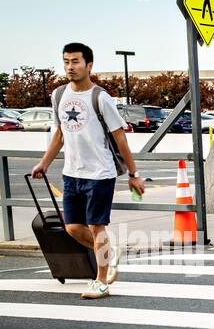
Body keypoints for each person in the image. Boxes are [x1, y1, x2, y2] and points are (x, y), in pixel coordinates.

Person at [31, 42, 146, 298]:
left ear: (89, 65)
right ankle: (109, 253)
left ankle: (101, 282)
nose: (70, 67)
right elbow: (59, 134)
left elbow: (120, 139)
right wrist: (44, 163)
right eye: (66, 62)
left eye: (76, 62)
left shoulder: (100, 98)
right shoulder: (59, 95)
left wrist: (133, 174)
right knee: (72, 228)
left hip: (100, 173)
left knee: (96, 227)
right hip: (72, 173)